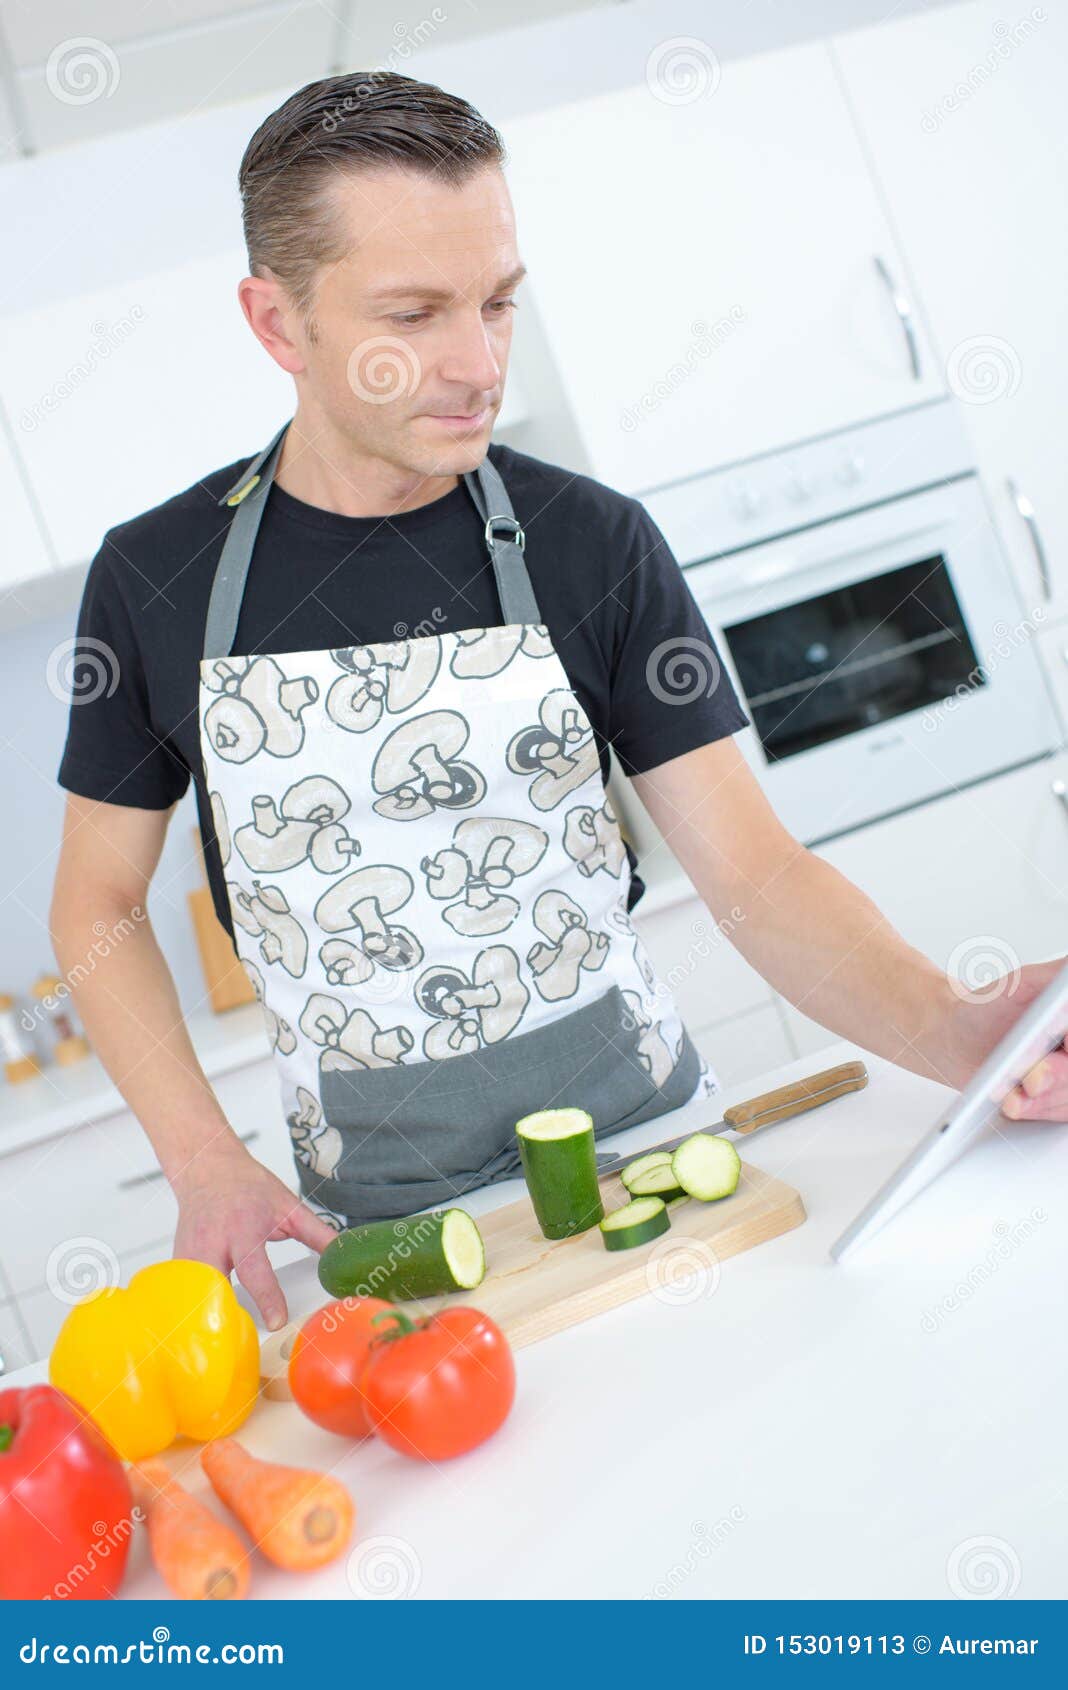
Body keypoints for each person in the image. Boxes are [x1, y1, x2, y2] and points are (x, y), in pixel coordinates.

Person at [51, 71, 1067, 1332]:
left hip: (662, 1167)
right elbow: (94, 902)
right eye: (414, 315)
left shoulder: (594, 542)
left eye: (497, 303)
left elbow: (753, 871)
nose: (477, 365)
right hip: (383, 1238)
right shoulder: (159, 578)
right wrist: (200, 1152)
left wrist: (959, 1029)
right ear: (278, 324)